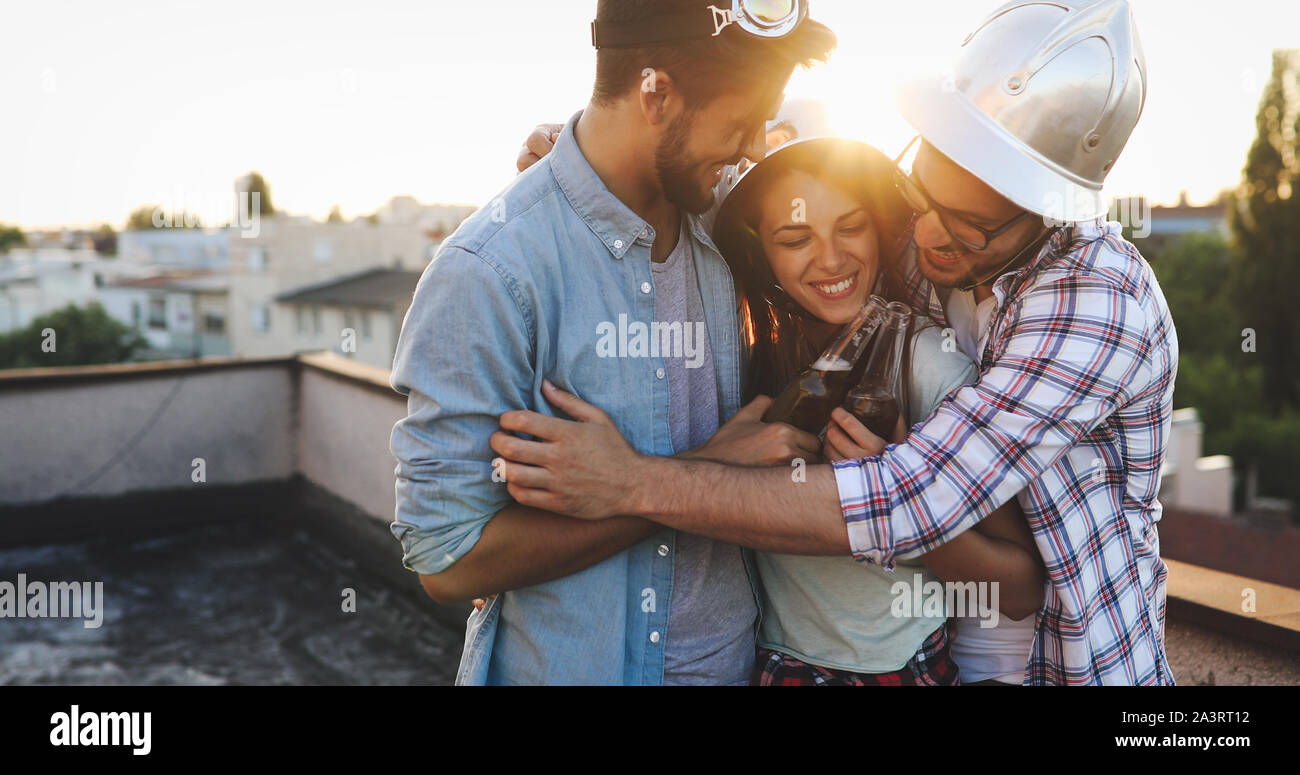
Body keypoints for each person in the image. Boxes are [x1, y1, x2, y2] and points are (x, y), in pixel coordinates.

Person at [492, 0, 1179, 685]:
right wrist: (582, 157)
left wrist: (630, 481)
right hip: (942, 649)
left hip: (1059, 661)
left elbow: (907, 501)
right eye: (919, 194)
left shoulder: (1099, 302)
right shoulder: (913, 238)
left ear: (1046, 210)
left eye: (967, 225)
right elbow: (747, 195)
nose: (927, 234)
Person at [388, 0, 836, 685]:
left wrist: (640, 484)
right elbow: (448, 561)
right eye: (740, 122)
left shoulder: (728, 214)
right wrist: (708, 469)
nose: (752, 148)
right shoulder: (491, 271)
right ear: (656, 95)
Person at [711, 138, 1047, 685]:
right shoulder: (751, 360)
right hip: (774, 663)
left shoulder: (928, 365)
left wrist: (903, 492)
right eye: (796, 238)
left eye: (850, 227)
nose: (831, 259)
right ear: (761, 254)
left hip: (894, 671)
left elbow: (1019, 588)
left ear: (879, 230)